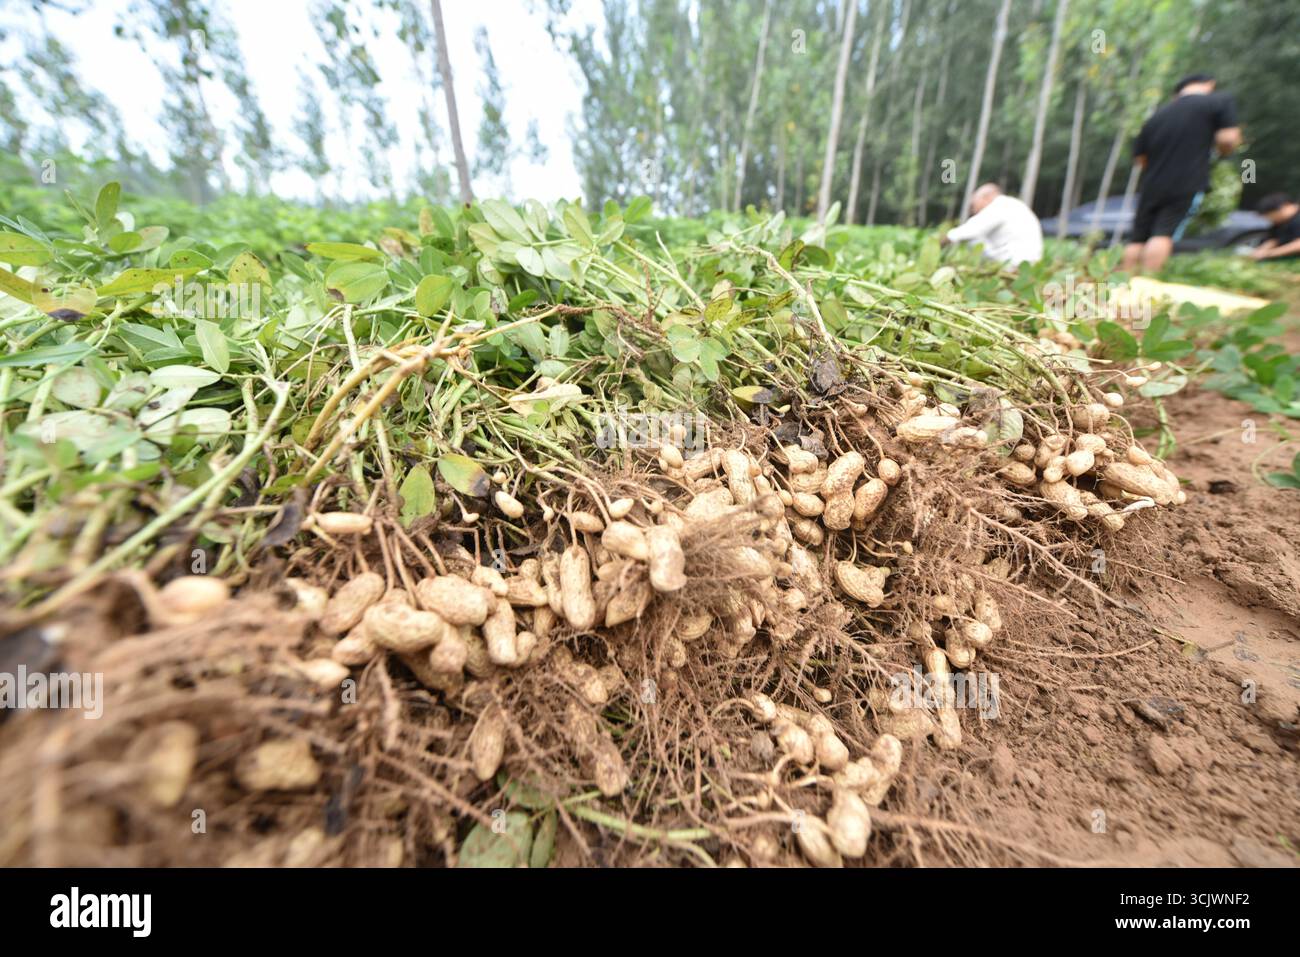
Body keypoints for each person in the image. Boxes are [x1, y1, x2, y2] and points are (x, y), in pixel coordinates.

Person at [1122, 74, 1242, 274]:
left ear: (1177, 93)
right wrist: (1224, 153)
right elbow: (1228, 139)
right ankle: (1147, 282)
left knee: (1138, 237)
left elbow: (1140, 159)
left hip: (1152, 184)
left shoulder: (1156, 116)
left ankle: (1122, 284)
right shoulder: (1218, 101)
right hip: (1186, 180)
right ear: (1210, 84)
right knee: (1163, 233)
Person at [942, 183, 1043, 267]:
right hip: (1030, 263)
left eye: (974, 205)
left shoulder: (1000, 206)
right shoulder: (1013, 204)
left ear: (986, 197)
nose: (973, 210)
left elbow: (970, 230)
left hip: (1015, 263)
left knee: (974, 241)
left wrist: (939, 243)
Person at [1248, 193, 1300, 261]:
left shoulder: (1297, 218)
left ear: (1284, 206)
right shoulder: (1281, 222)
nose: (1270, 219)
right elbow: (1275, 239)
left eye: (1270, 216)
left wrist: (1269, 253)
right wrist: (1262, 250)